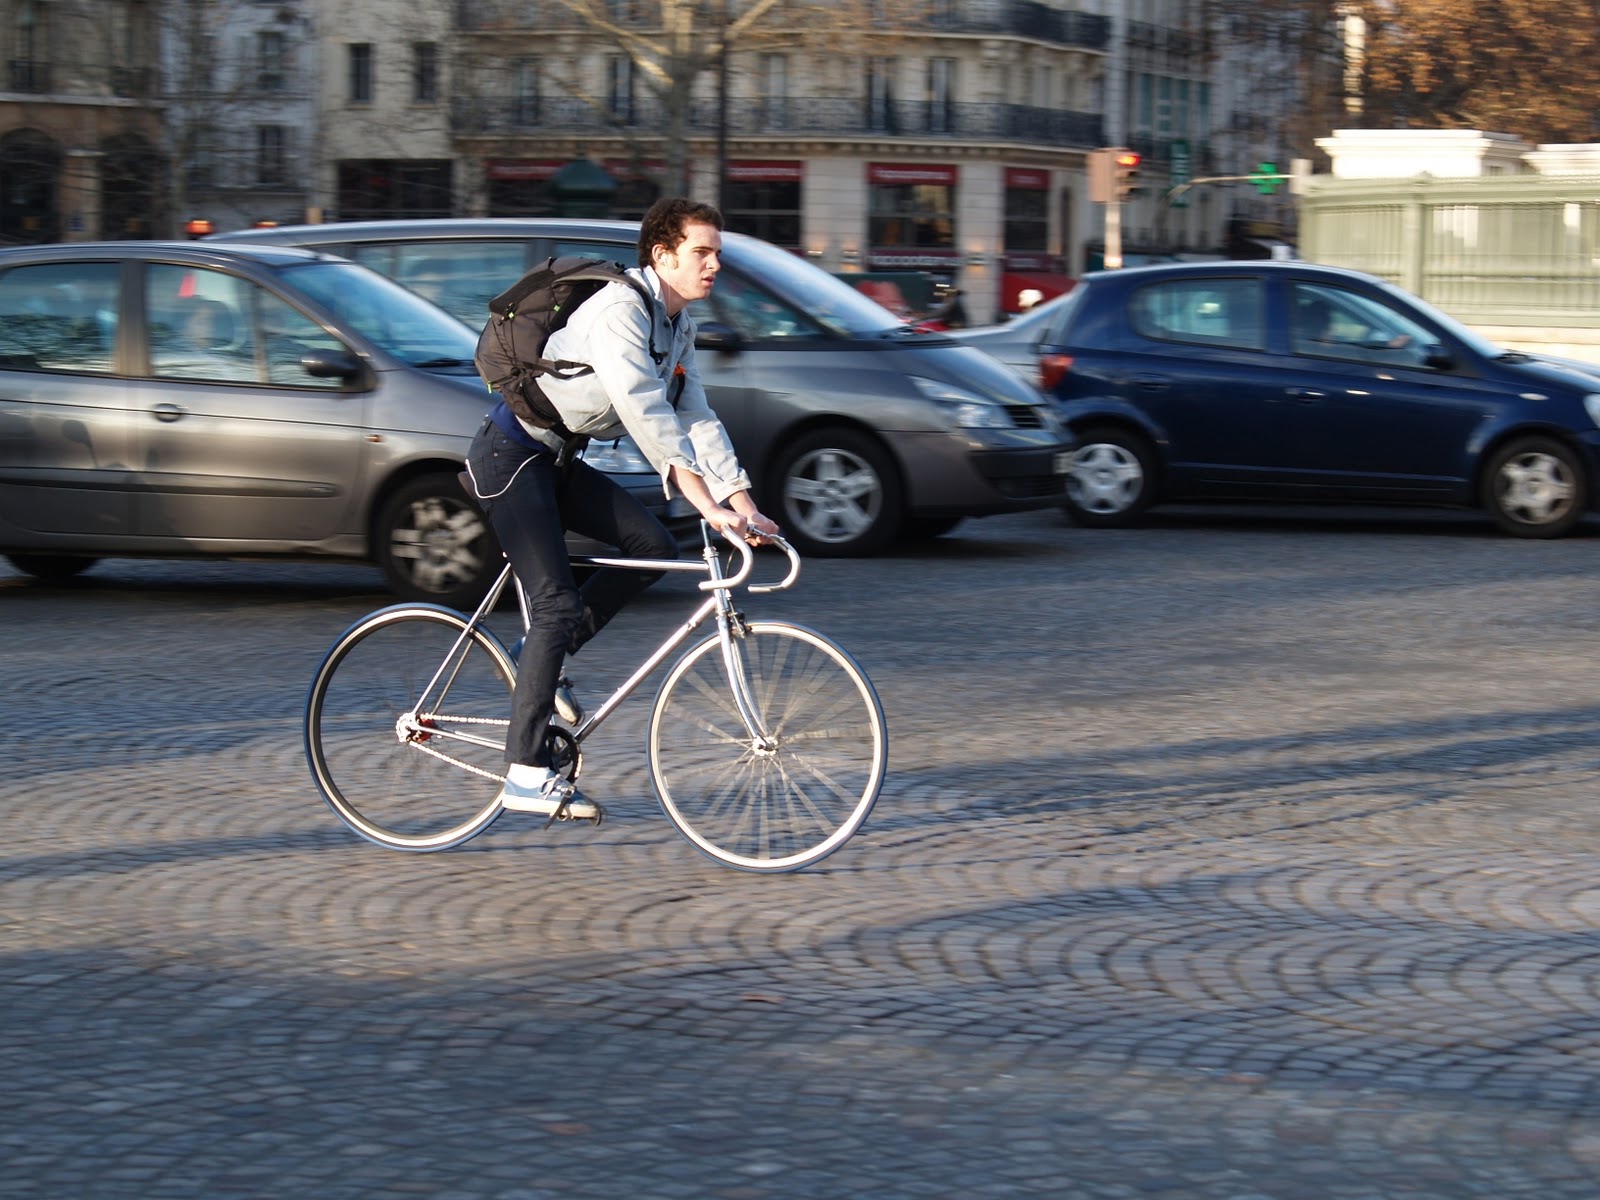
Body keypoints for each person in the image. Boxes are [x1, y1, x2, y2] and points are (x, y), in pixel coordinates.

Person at [464, 197, 780, 820]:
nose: (715, 263)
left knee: (655, 545)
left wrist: (743, 500)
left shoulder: (677, 322)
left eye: (719, 253)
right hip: (508, 459)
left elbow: (696, 414)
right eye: (702, 252)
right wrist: (701, 498)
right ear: (663, 256)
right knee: (556, 603)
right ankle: (525, 774)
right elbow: (643, 407)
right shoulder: (620, 311)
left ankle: (542, 656)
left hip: (555, 461)